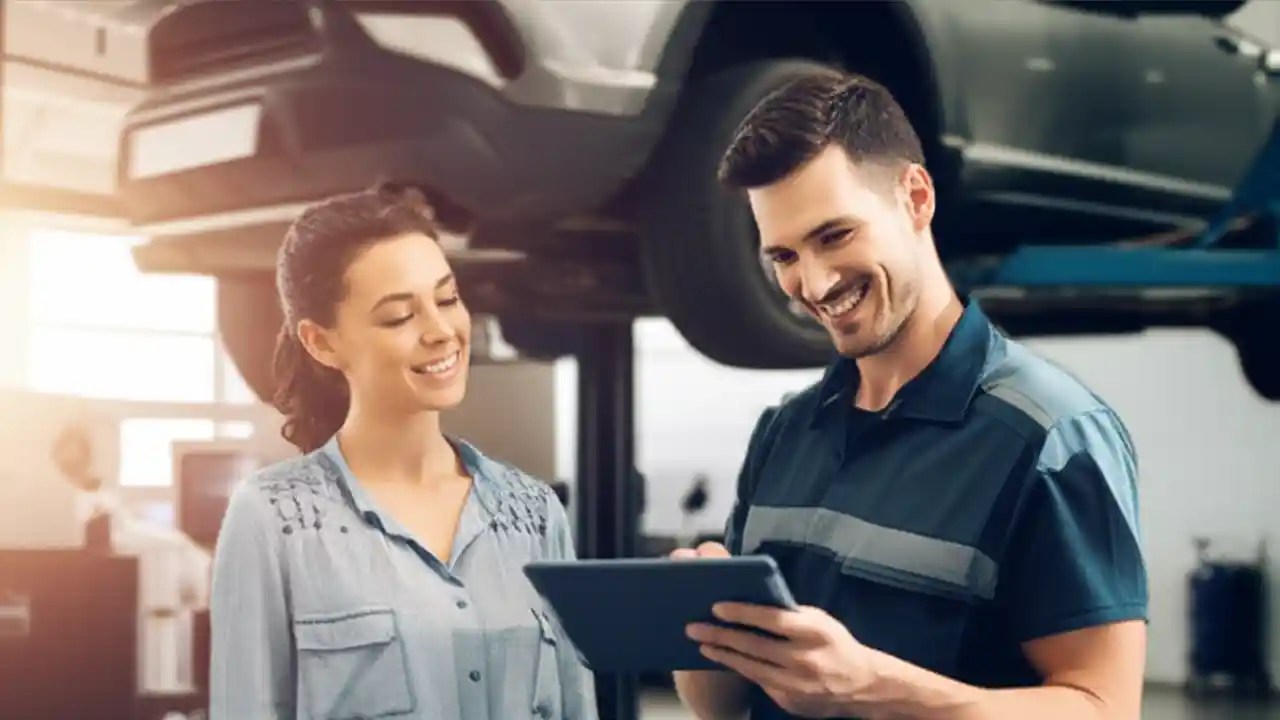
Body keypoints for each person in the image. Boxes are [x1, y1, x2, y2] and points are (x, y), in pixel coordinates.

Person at [672, 69, 1148, 720]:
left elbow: (1105, 708)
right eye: (784, 256)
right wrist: (701, 630)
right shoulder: (785, 434)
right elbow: (724, 708)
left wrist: (870, 686)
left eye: (835, 236)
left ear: (916, 198)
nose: (814, 283)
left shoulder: (1052, 436)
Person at [208, 183, 597, 720]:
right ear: (322, 342)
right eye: (398, 317)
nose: (440, 331)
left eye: (447, 299)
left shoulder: (533, 513)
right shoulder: (273, 519)